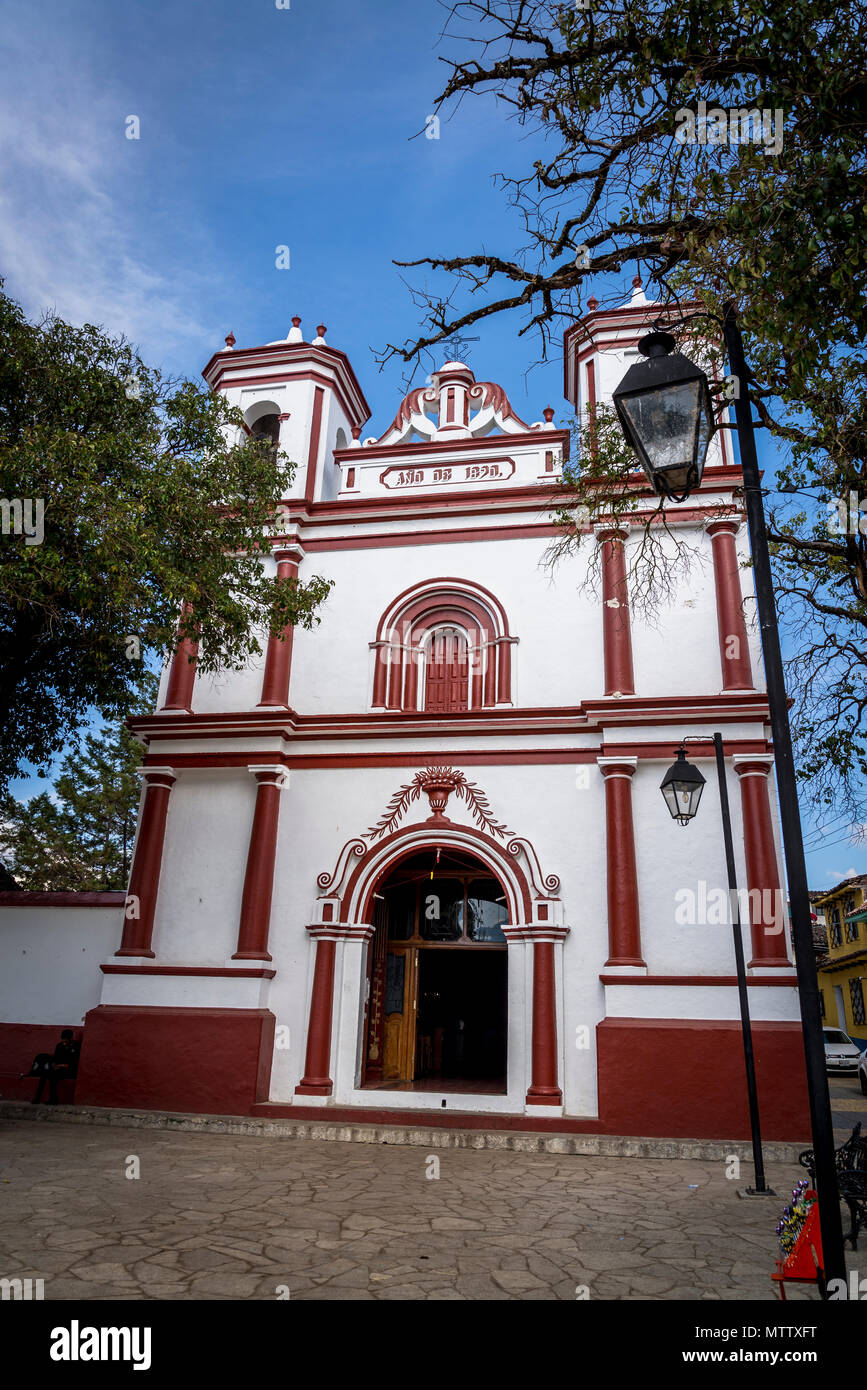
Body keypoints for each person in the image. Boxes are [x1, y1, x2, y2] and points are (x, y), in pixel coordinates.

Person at [23, 1030, 80, 1104]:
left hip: (68, 1069)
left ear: (70, 1038)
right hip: (57, 1068)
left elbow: (74, 1062)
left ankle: (53, 1099)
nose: (63, 1042)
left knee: (53, 1076)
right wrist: (53, 1064)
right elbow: (55, 1058)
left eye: (65, 1040)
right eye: (62, 1039)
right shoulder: (59, 1045)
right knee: (44, 1074)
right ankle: (37, 1098)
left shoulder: (76, 1046)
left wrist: (61, 1066)